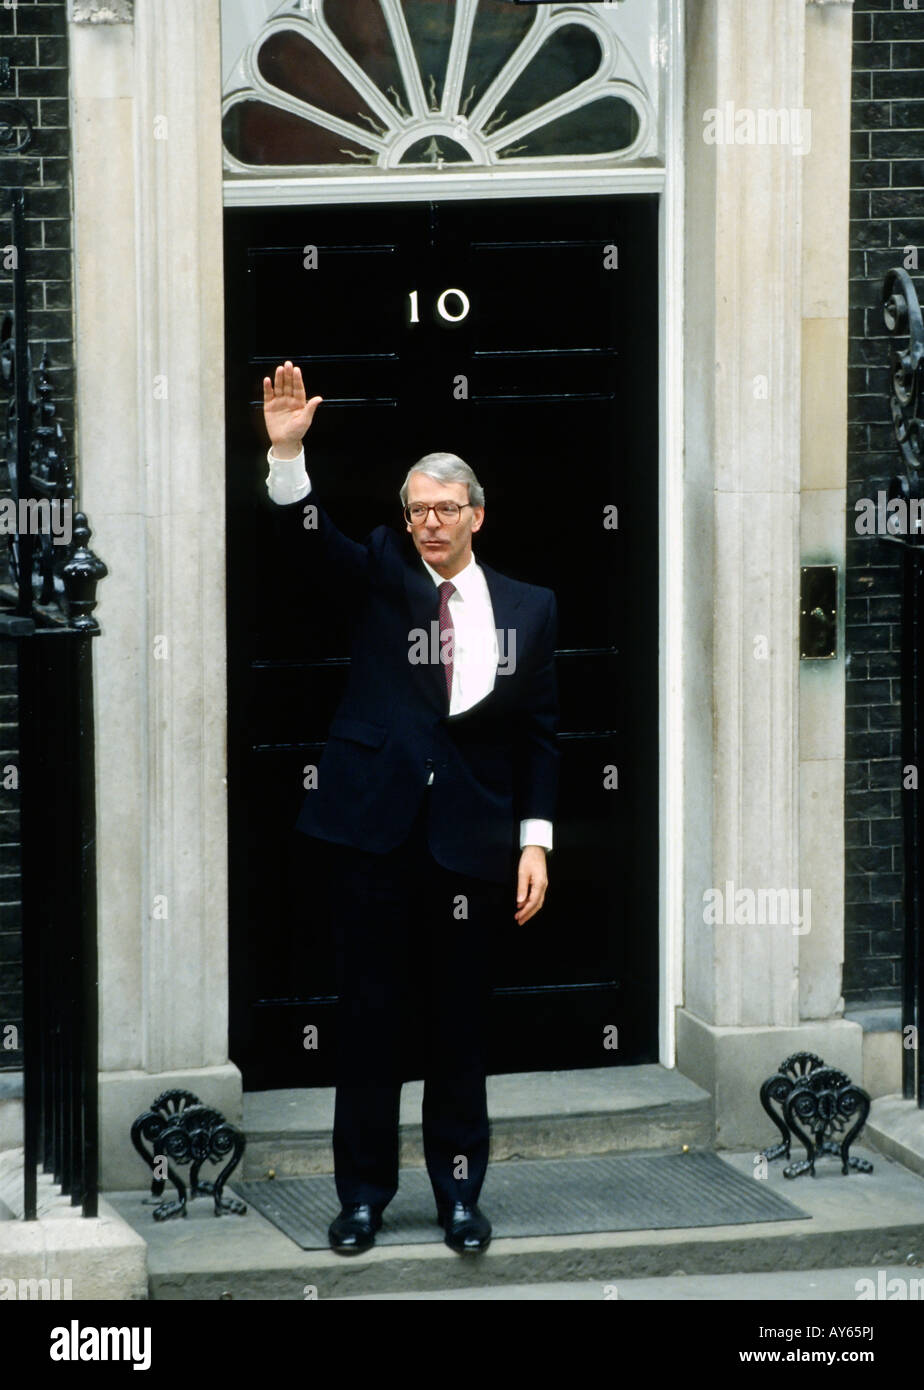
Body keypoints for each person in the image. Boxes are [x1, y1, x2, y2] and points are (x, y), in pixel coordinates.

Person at [261, 360, 559, 1255]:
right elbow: (314, 541)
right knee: (369, 1024)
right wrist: (288, 457)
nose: (428, 524)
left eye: (443, 510)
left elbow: (541, 736)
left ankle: (460, 1199)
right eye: (416, 510)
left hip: (472, 846)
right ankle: (362, 1199)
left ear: (476, 513)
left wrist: (534, 845)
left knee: (460, 1030)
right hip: (373, 838)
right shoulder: (388, 571)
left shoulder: (530, 610)